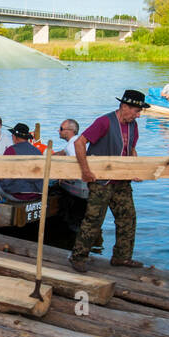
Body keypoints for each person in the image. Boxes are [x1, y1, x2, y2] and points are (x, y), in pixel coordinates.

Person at [68, 89, 147, 272]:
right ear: (124, 106)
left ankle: (121, 257)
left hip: (121, 181)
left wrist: (135, 169)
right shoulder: (104, 122)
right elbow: (79, 143)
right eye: (136, 111)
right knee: (94, 220)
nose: (138, 115)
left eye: (139, 111)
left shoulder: (133, 125)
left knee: (128, 218)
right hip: (100, 181)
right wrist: (85, 171)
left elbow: (131, 150)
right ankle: (78, 257)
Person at [55, 118, 101, 252]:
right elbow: (64, 153)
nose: (59, 130)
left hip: (81, 187)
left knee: (76, 220)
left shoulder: (72, 145)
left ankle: (77, 247)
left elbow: (79, 162)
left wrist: (63, 176)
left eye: (61, 129)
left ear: (70, 131)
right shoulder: (75, 142)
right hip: (89, 186)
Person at [0, 123, 44, 202]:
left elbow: (5, 179)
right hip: (37, 194)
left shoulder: (11, 150)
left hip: (20, 195)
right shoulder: (37, 151)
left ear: (15, 137)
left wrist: (0, 180)